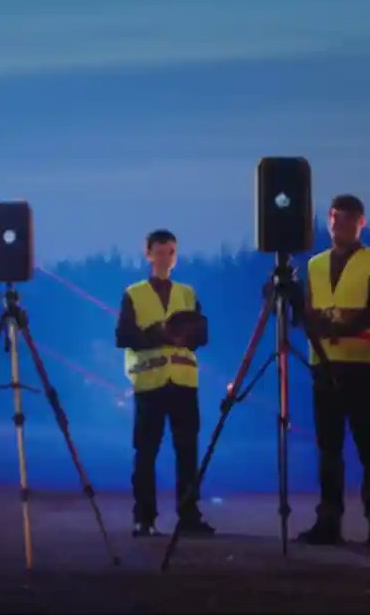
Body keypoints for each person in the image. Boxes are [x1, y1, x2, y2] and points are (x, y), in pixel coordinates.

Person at [295, 194, 370, 548]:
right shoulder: (315, 265)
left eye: (350, 219)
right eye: (337, 217)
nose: (341, 224)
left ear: (361, 223)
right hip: (324, 365)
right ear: (329, 220)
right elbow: (306, 314)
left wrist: (334, 327)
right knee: (329, 449)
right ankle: (329, 521)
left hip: (362, 366)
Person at [115, 229, 215, 537]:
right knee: (146, 453)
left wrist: (185, 335)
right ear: (148, 254)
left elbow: (203, 335)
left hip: (183, 382)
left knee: (187, 452)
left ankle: (189, 515)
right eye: (159, 252)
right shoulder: (134, 293)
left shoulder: (187, 293)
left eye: (170, 252)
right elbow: (123, 336)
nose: (165, 258)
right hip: (151, 383)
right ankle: (144, 517)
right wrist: (159, 333)